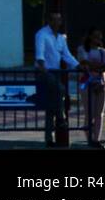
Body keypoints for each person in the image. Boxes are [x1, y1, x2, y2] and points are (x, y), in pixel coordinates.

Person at [33, 11, 79, 147]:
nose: (57, 23)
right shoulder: (41, 34)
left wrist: (78, 66)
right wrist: (43, 69)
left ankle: (49, 139)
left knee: (50, 105)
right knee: (60, 89)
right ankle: (61, 119)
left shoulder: (60, 38)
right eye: (54, 20)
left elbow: (67, 55)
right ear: (49, 21)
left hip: (56, 72)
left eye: (59, 20)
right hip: (44, 71)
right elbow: (39, 55)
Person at [75, 27, 105, 147]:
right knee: (89, 113)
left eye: (100, 36)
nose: (98, 39)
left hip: (101, 84)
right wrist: (99, 66)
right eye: (95, 36)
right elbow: (84, 62)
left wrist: (94, 66)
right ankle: (89, 138)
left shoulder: (103, 51)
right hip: (86, 84)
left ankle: (97, 139)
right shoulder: (82, 49)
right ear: (90, 37)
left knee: (99, 113)